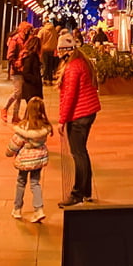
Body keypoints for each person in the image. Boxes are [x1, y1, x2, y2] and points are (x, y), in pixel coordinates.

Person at [56, 32, 101, 207]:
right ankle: (86, 190)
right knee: (82, 152)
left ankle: (77, 194)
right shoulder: (81, 62)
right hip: (88, 112)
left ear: (65, 51)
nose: (58, 54)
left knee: (78, 154)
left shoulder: (72, 67)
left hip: (80, 114)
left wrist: (62, 120)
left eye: (59, 51)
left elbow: (69, 96)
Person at [5, 96, 53, 222]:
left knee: (21, 182)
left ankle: (17, 208)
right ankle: (39, 209)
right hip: (38, 159)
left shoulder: (24, 127)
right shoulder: (44, 127)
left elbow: (15, 144)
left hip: (25, 160)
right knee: (35, 183)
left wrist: (8, 152)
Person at [1, 20, 32, 123]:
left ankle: (15, 115)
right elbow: (10, 55)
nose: (28, 32)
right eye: (27, 30)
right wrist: (16, 64)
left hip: (25, 69)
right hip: (16, 70)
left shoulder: (28, 39)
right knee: (17, 93)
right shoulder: (15, 40)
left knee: (20, 94)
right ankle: (5, 108)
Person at [18, 35, 43, 105]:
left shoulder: (33, 56)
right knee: (33, 110)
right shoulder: (31, 57)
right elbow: (26, 73)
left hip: (32, 88)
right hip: (31, 89)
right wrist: (35, 80)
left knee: (31, 110)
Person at [37, 19, 59, 84]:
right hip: (52, 49)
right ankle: (50, 79)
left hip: (44, 49)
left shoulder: (42, 31)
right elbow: (56, 39)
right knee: (50, 65)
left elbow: (38, 39)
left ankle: (44, 78)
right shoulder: (54, 31)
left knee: (44, 65)